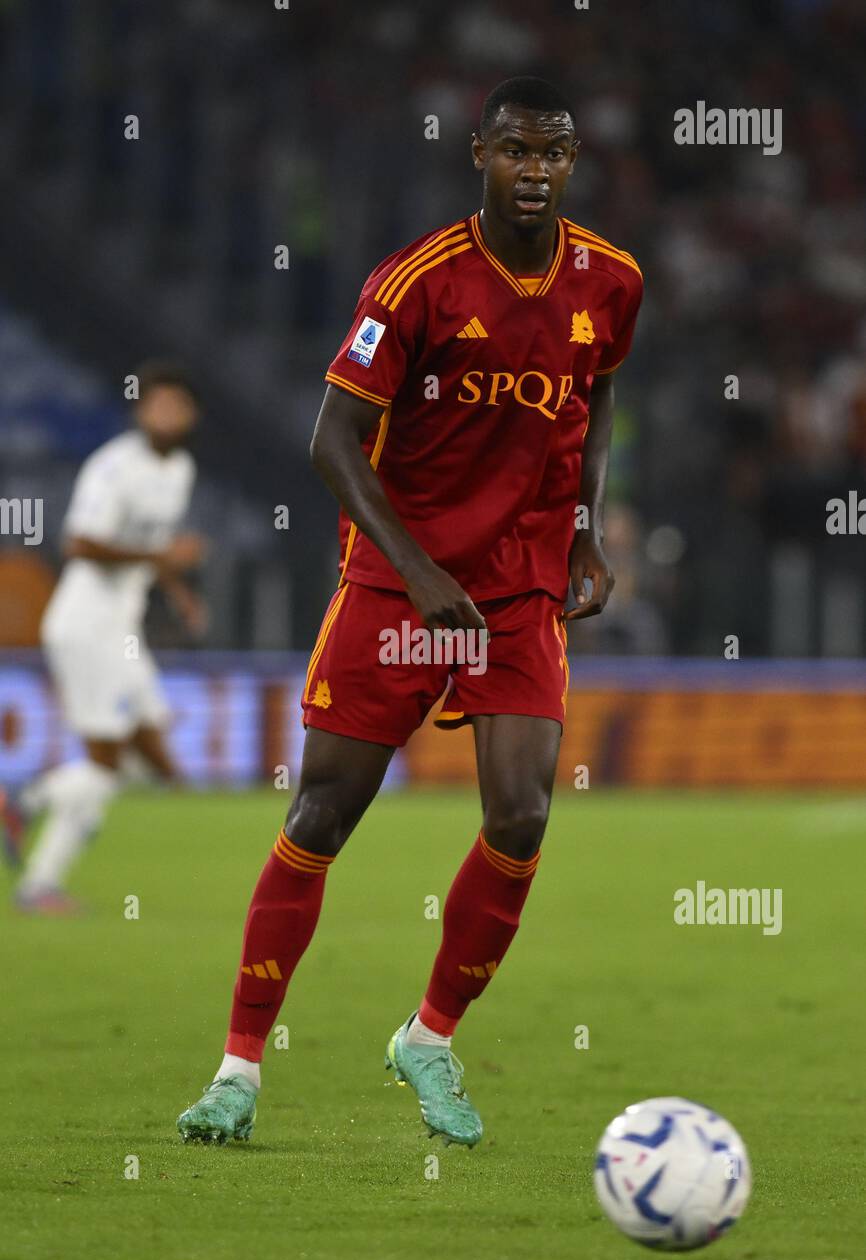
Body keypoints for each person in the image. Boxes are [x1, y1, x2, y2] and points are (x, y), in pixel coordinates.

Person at [177, 75, 642, 1147]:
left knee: (521, 815)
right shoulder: (417, 281)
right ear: (479, 154)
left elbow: (598, 392)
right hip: (399, 583)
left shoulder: (610, 280)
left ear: (573, 162)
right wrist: (420, 572)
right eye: (515, 150)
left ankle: (428, 1037)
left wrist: (583, 528)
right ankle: (238, 1072)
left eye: (553, 153)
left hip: (519, 581)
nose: (534, 171)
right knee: (322, 815)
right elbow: (331, 442)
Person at [2, 362, 206, 913]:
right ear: (140, 410)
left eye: (177, 406)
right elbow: (80, 542)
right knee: (104, 766)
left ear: (192, 415)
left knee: (151, 754)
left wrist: (177, 590)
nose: (166, 415)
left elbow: (153, 547)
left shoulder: (180, 469)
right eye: (157, 404)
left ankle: (33, 802)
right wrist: (162, 557)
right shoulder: (113, 467)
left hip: (122, 629)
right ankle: (36, 862)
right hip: (87, 627)